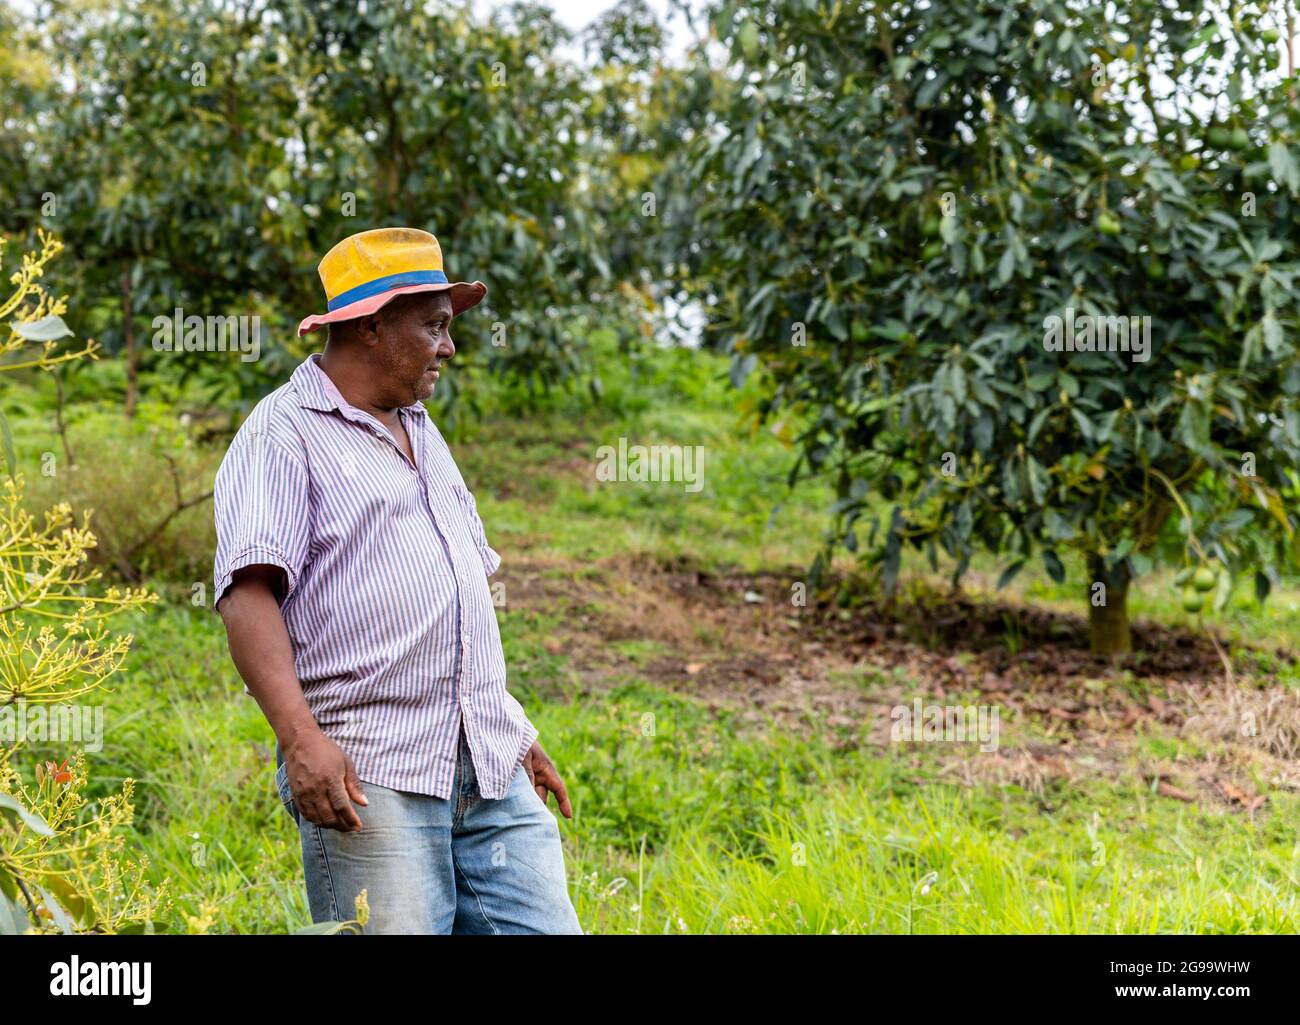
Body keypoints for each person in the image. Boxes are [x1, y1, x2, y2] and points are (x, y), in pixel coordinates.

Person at [212, 227, 582, 934]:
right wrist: (299, 741)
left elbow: (456, 594)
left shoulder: (419, 424)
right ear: (372, 326)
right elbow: (246, 596)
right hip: (372, 771)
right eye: (436, 326)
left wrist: (513, 729)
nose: (450, 346)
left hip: (486, 765)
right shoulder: (282, 435)